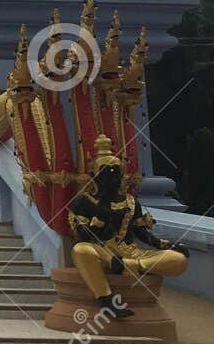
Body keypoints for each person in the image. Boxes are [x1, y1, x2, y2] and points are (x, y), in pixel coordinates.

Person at [68, 136, 189, 317]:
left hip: (130, 254)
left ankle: (130, 265)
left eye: (116, 171)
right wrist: (99, 219)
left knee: (179, 261)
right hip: (103, 252)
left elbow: (140, 231)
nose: (112, 176)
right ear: (94, 175)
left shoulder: (131, 202)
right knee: (81, 251)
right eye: (106, 172)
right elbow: (82, 235)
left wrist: (163, 244)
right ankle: (106, 300)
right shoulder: (85, 202)